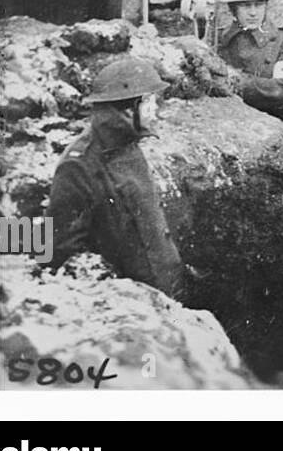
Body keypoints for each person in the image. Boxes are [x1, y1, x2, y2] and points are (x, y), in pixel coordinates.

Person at [49, 58, 184, 299]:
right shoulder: (79, 166)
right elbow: (61, 250)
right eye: (149, 101)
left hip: (166, 292)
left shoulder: (128, 143)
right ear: (127, 109)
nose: (156, 110)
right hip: (133, 306)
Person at [213, 0, 283, 119]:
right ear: (233, 9)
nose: (253, 13)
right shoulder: (218, 39)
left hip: (272, 121)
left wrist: (238, 83)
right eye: (246, 6)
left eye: (259, 5)